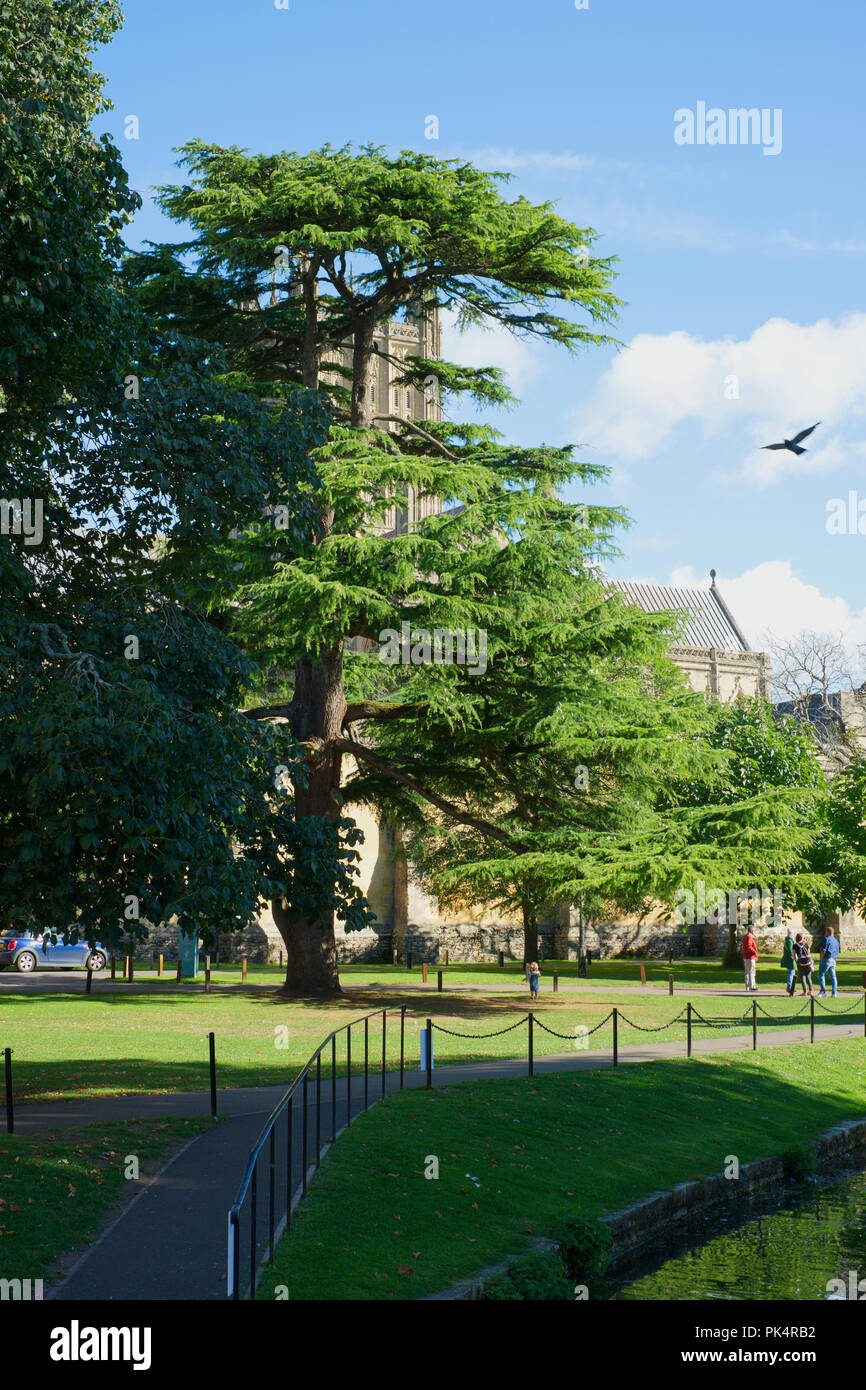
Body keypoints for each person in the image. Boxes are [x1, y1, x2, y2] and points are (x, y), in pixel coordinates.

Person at [818, 926, 840, 998]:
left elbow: (824, 950)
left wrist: (821, 958)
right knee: (833, 976)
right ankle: (834, 993)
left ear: (827, 932)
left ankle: (823, 991)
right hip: (833, 959)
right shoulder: (836, 941)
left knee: (821, 974)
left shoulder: (826, 939)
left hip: (827, 959)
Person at [793, 932, 814, 997]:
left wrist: (796, 961)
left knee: (802, 977)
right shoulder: (806, 944)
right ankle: (810, 991)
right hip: (808, 962)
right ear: (802, 938)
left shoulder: (795, 945)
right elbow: (808, 953)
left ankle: (804, 992)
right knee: (808, 977)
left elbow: (794, 954)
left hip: (800, 962)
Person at [741, 927, 758, 992]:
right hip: (750, 957)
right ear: (752, 931)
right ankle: (752, 986)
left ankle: (747, 987)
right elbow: (749, 946)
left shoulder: (746, 936)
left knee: (747, 972)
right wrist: (754, 952)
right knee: (751, 971)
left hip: (746, 957)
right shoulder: (749, 937)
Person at [781, 929, 797, 996]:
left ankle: (791, 986)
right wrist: (795, 958)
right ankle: (789, 987)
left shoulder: (789, 940)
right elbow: (791, 952)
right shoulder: (789, 941)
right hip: (790, 959)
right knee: (791, 973)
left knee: (792, 973)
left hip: (790, 959)